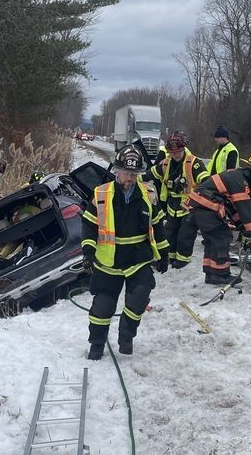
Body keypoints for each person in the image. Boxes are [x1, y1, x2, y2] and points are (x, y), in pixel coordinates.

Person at [81, 145, 169, 360]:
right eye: (126, 173)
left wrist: (164, 252)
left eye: (134, 174)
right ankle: (96, 344)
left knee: (138, 299)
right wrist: (88, 250)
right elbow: (89, 224)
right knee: (103, 307)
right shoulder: (101, 194)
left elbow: (157, 224)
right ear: (116, 171)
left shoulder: (148, 194)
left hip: (138, 259)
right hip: (108, 261)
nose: (129, 178)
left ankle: (126, 336)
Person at [173, 161, 251, 284]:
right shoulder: (240, 181)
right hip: (206, 207)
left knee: (212, 240)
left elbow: (232, 208)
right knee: (222, 237)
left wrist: (242, 227)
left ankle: (211, 274)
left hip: (200, 206)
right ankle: (220, 275)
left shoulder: (235, 175)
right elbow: (244, 208)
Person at [144, 131, 209, 268]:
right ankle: (169, 256)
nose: (176, 154)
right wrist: (133, 178)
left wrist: (199, 199)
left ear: (183, 148)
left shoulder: (194, 163)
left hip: (190, 206)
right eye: (172, 152)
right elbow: (151, 174)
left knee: (185, 234)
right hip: (173, 205)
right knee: (169, 232)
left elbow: (205, 182)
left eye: (178, 151)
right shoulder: (166, 164)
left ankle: (183, 260)